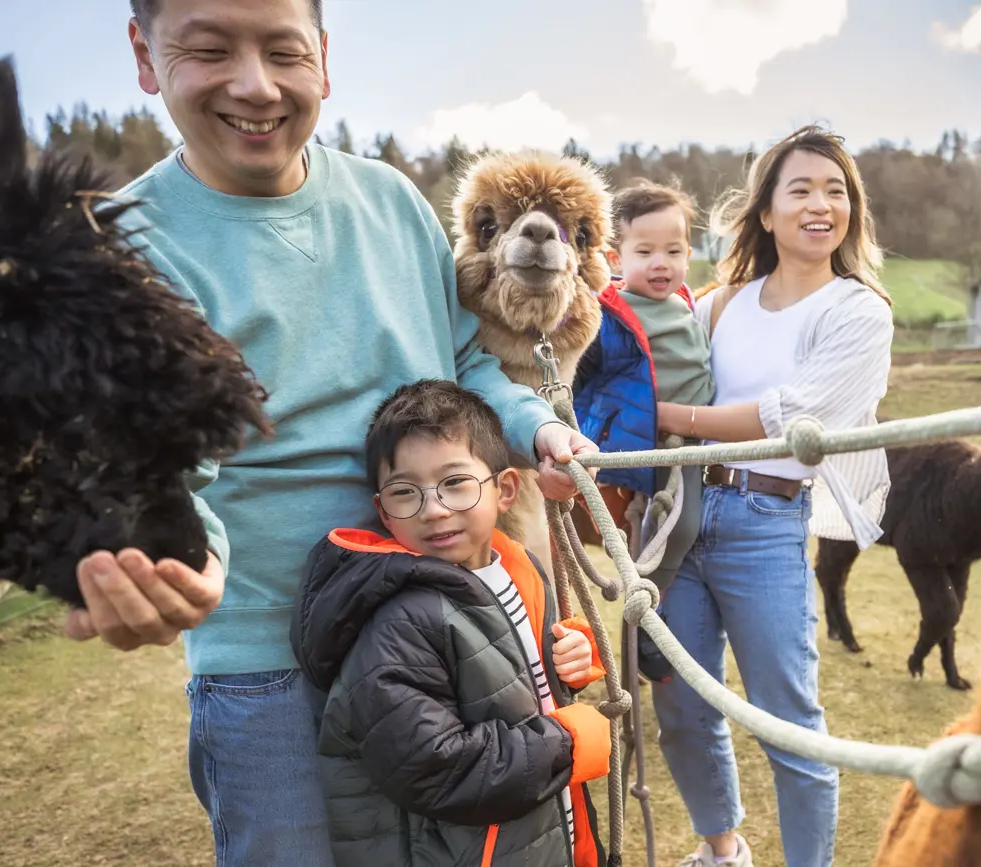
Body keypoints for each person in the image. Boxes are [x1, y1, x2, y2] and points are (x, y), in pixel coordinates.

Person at [63, 2, 598, 864]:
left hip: (456, 624)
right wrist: (169, 557)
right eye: (208, 50)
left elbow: (470, 364)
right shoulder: (120, 249)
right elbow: (152, 467)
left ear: (323, 56)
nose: (255, 85)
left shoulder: (390, 200)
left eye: (284, 51)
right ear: (144, 53)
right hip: (272, 665)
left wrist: (536, 429)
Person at [650, 126, 895, 867]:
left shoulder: (858, 311)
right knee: (681, 703)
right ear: (765, 212)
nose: (822, 204)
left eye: (837, 191)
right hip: (686, 517)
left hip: (766, 520)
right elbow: (654, 366)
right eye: (802, 189)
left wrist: (673, 419)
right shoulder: (719, 306)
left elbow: (792, 420)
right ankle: (723, 849)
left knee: (789, 720)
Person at [291, 379, 611, 866]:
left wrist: (566, 658)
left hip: (537, 836)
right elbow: (436, 767)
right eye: (405, 492)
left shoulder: (516, 568)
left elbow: (508, 674)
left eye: (455, 483)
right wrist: (569, 743)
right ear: (383, 510)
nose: (435, 509)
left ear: (504, 488)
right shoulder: (399, 619)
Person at [571, 180, 715, 683]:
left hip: (693, 444)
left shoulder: (685, 300)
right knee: (672, 530)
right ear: (616, 256)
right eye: (645, 251)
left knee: (674, 530)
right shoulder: (608, 314)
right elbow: (580, 372)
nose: (661, 263)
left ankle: (648, 623)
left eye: (673, 251)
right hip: (649, 445)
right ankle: (646, 629)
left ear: (689, 254)